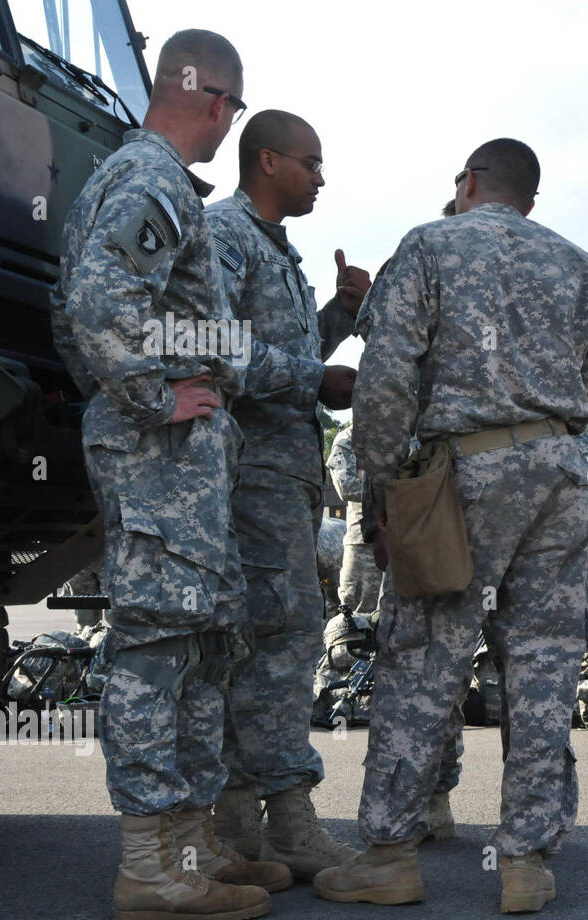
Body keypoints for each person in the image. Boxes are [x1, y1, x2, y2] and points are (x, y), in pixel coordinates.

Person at [314, 138, 588, 914]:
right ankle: (525, 862)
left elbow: (384, 377)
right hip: (559, 474)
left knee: (422, 656)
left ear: (469, 182)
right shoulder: (577, 264)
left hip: (461, 475)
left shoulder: (428, 246)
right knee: (544, 668)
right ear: (529, 200)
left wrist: (383, 487)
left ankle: (390, 852)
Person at [51, 28, 287, 920]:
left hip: (183, 462)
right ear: (216, 100)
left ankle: (188, 851)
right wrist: (154, 395)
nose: (228, 121)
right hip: (158, 456)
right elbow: (98, 301)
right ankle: (150, 867)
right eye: (232, 105)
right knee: (156, 653)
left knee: (196, 646)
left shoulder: (141, 178)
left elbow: (84, 308)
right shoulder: (151, 179)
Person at [203, 110, 368, 877]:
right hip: (252, 476)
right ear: (268, 161)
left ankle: (238, 823)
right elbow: (217, 348)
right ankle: (289, 821)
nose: (321, 178)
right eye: (311, 163)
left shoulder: (275, 249)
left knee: (260, 640)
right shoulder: (225, 234)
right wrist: (314, 378)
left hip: (285, 476)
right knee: (288, 636)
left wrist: (337, 314)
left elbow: (287, 352)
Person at [327, 422, 383, 614]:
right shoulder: (347, 440)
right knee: (357, 615)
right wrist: (395, 489)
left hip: (408, 538)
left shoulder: (402, 434)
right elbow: (347, 487)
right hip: (364, 544)